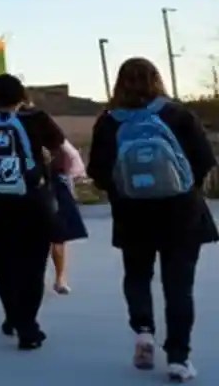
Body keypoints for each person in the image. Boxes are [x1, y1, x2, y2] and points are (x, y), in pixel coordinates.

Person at [87, 58, 216, 382]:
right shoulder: (177, 115)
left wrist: (124, 188)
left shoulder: (109, 121)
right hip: (181, 213)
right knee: (178, 287)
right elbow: (204, 160)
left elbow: (98, 173)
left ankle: (143, 331)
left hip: (132, 214)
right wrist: (186, 188)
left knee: (137, 276)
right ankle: (178, 359)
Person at [0, 74, 66, 351]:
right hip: (31, 199)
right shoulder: (34, 117)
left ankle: (12, 315)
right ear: (21, 95)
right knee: (33, 263)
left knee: (4, 259)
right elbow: (59, 145)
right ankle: (27, 326)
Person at [49, 139, 88, 295]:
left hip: (37, 188)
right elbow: (74, 160)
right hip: (57, 186)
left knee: (41, 240)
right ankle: (60, 280)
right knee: (58, 238)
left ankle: (54, 279)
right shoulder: (57, 139)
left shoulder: (24, 136)